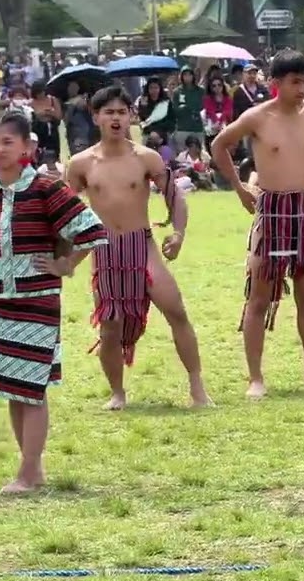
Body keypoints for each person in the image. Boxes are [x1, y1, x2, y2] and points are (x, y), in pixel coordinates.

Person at [62, 86, 209, 410]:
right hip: (104, 249)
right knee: (110, 325)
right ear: (96, 116)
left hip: (142, 248)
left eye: (121, 112)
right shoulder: (81, 163)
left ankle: (198, 388)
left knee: (176, 310)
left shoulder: (146, 157)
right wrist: (65, 256)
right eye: (108, 112)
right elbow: (65, 211)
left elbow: (175, 197)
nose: (115, 118)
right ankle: (118, 392)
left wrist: (178, 233)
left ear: (131, 115)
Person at [0, 112, 107, 493]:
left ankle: (28, 473)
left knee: (32, 387)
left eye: (8, 141)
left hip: (36, 301)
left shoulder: (44, 187)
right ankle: (31, 471)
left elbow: (90, 230)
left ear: (27, 146)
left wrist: (65, 264)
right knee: (11, 384)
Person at [211, 50, 304, 399]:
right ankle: (256, 378)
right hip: (272, 206)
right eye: (295, 82)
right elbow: (219, 145)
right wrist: (238, 188)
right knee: (260, 295)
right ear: (276, 84)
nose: (302, 88)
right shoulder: (257, 116)